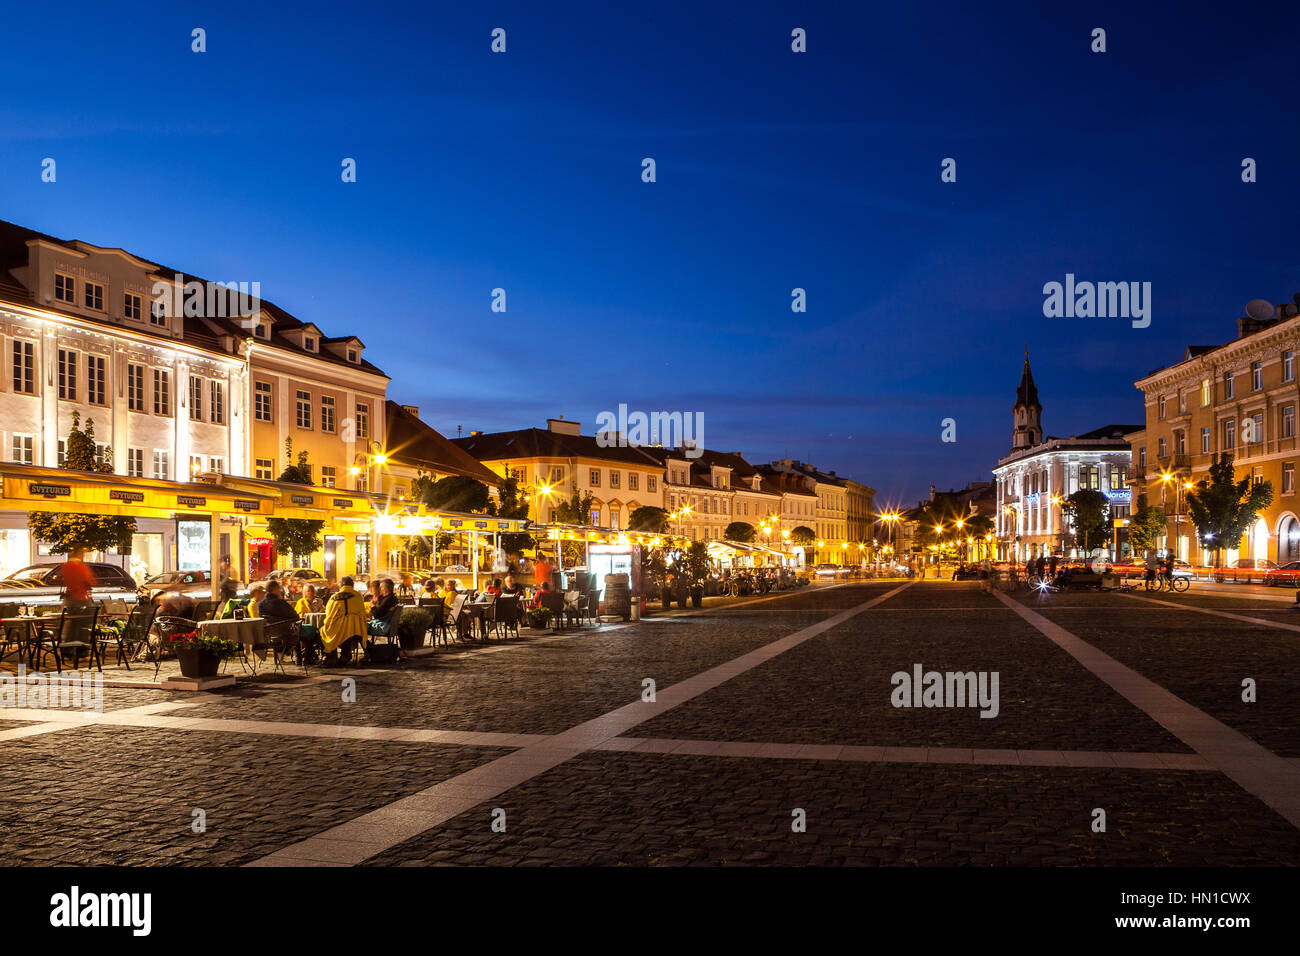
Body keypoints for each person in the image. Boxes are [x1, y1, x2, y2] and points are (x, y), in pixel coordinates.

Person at [320, 576, 367, 664]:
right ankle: (345, 655)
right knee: (348, 631)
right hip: (356, 630)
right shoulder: (358, 596)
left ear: (341, 585)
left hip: (338, 630)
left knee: (324, 631)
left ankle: (330, 656)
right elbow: (363, 613)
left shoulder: (334, 598)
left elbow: (329, 615)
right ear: (352, 585)